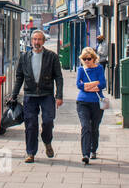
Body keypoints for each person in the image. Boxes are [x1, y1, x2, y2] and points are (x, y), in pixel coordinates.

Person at [7, 29, 64, 163]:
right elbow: (19, 77)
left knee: (48, 121)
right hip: (30, 95)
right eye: (34, 39)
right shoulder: (25, 57)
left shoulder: (52, 56)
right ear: (31, 41)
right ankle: (30, 152)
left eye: (39, 39)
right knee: (31, 125)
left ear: (44, 41)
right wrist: (14, 95)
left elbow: (59, 77)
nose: (36, 42)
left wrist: (59, 95)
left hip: (47, 94)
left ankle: (47, 141)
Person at [75, 46, 107, 165]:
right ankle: (85, 154)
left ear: (94, 58)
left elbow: (102, 83)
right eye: (84, 59)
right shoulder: (81, 70)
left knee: (94, 127)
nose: (86, 61)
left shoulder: (99, 68)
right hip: (82, 102)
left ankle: (93, 149)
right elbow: (79, 85)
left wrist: (87, 86)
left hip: (97, 103)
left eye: (88, 58)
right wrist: (93, 85)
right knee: (85, 126)